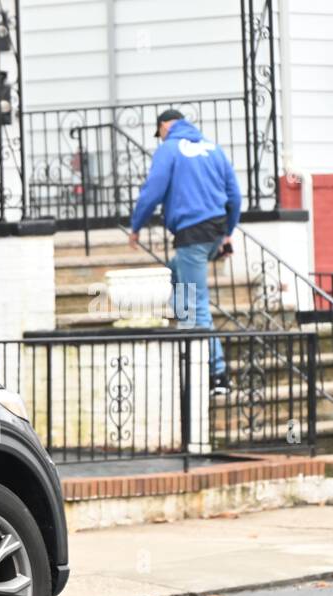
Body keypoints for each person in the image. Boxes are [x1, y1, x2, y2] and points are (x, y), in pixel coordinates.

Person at [129, 109, 242, 394]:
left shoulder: (169, 149)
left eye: (160, 131)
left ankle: (216, 374)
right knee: (176, 270)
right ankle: (185, 331)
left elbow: (153, 190)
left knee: (196, 303)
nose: (161, 137)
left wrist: (136, 225)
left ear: (165, 126)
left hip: (192, 234)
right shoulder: (212, 148)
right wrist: (228, 232)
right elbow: (235, 194)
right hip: (214, 231)